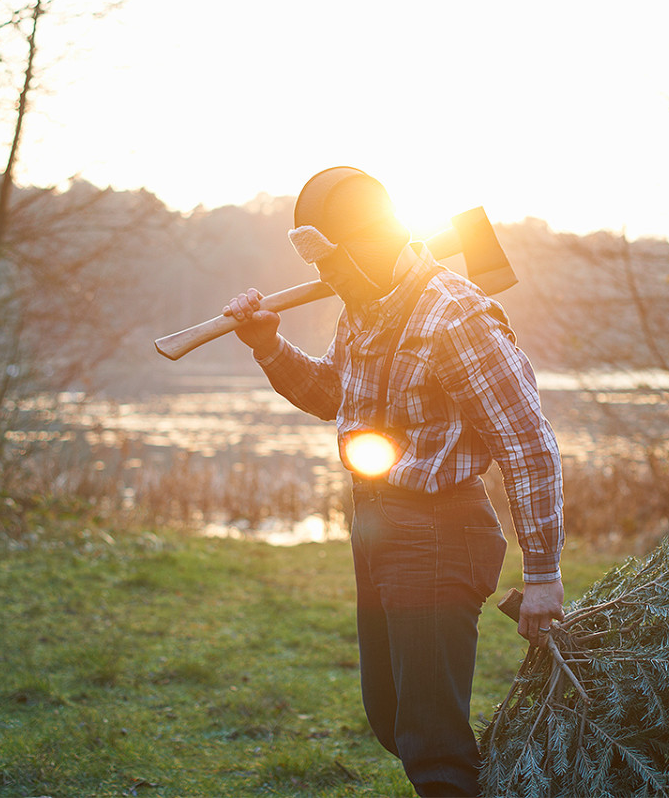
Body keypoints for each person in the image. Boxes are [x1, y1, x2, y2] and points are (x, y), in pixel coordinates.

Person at [223, 166, 565, 798]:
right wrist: (267, 344)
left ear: (369, 244)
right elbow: (334, 395)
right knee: (391, 717)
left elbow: (527, 445)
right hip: (375, 522)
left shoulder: (456, 315)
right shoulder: (361, 308)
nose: (325, 277)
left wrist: (543, 576)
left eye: (332, 261)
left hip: (439, 533)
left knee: (431, 747)